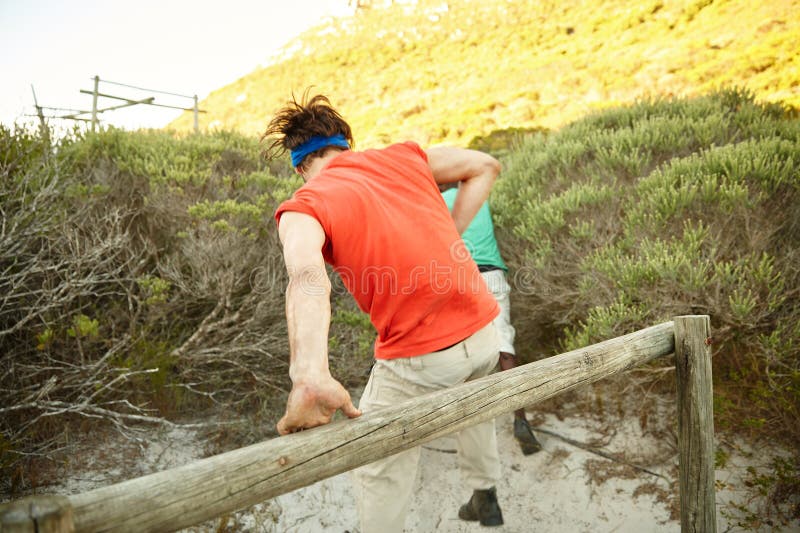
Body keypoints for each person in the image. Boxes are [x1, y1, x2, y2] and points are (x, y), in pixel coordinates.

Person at [263, 92, 506, 532]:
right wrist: (450, 237)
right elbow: (485, 165)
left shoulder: (305, 204)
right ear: (347, 145)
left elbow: (307, 280)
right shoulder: (406, 156)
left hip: (422, 357)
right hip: (485, 332)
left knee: (377, 459)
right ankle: (485, 493)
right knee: (474, 399)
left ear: (300, 167)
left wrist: (310, 375)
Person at [440, 183, 543, 455]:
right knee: (504, 345)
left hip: (459, 278)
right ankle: (521, 421)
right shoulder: (479, 197)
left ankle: (469, 428)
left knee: (461, 351)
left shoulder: (437, 202)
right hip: (492, 275)